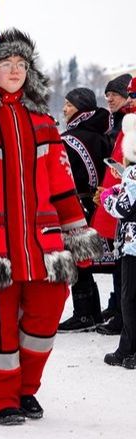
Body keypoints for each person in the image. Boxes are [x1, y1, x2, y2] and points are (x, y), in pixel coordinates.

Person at [0, 29, 102, 425]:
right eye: (7, 64)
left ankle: (25, 390)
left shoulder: (43, 121)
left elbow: (62, 184)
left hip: (42, 243)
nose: (15, 71)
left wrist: (77, 236)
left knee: (46, 317)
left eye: (22, 65)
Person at [56, 87, 113, 332]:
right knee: (86, 260)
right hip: (97, 202)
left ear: (80, 107)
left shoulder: (71, 139)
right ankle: (93, 311)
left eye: (69, 104)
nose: (64, 109)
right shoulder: (100, 134)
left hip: (78, 204)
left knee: (78, 257)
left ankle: (84, 313)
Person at [93, 77, 136, 335]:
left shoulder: (130, 123)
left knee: (127, 266)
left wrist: (113, 193)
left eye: (130, 95)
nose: (128, 100)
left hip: (126, 205)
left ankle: (124, 320)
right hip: (119, 199)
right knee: (122, 263)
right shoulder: (125, 124)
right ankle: (119, 309)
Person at [99, 113, 136, 369]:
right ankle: (127, 348)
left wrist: (106, 199)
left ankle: (128, 349)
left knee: (129, 299)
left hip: (133, 245)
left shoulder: (133, 174)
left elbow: (123, 208)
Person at [105, 74, 134, 150]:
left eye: (114, 94)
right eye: (107, 95)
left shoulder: (131, 121)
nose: (109, 99)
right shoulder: (109, 121)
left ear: (127, 96)